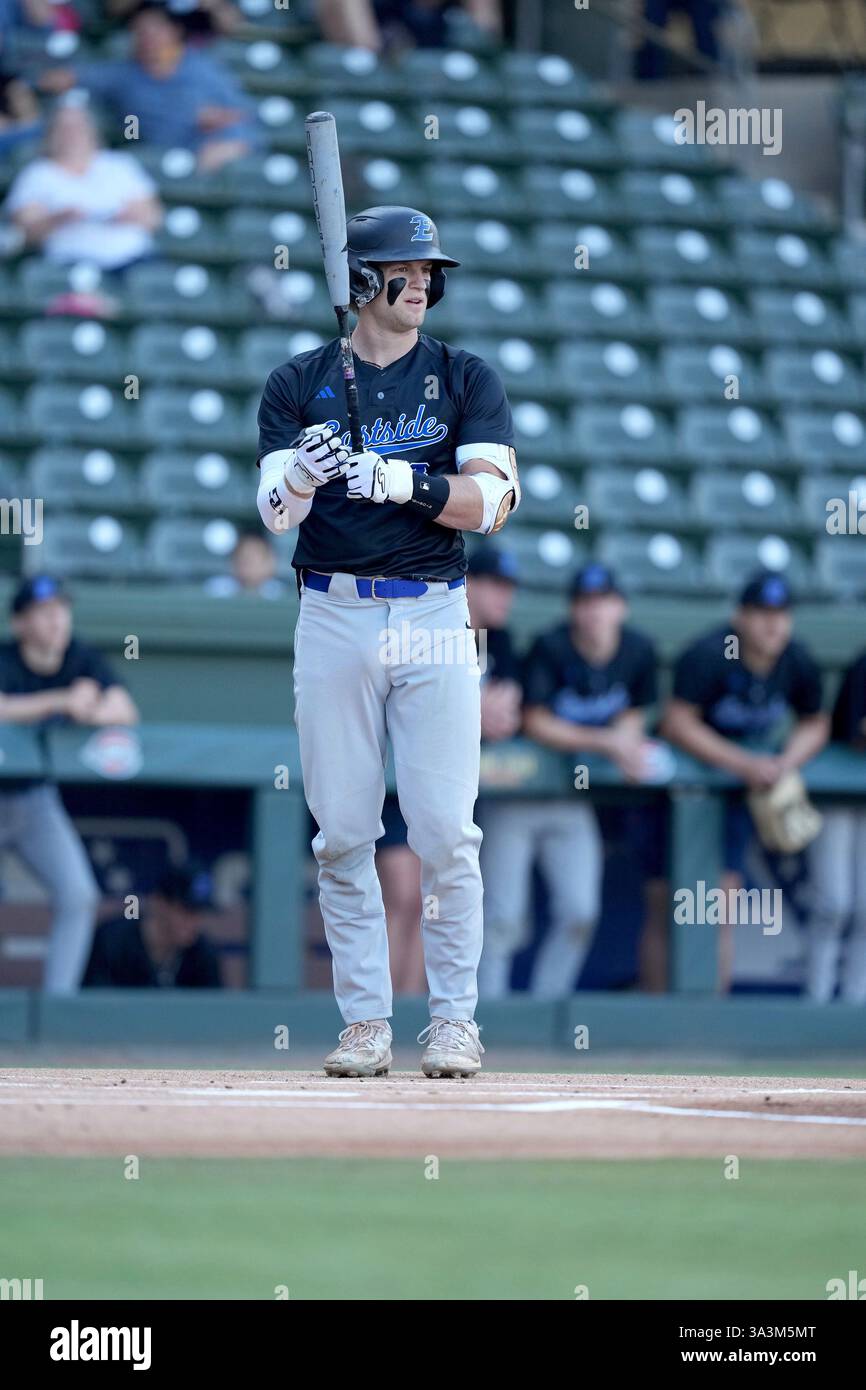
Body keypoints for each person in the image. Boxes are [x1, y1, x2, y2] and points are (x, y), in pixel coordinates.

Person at [256, 205, 520, 1077]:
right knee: (342, 832)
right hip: (331, 610)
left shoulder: (464, 376)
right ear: (360, 281)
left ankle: (454, 1021)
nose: (423, 285)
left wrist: (400, 480)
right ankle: (366, 1022)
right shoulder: (297, 384)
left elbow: (491, 502)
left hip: (436, 613)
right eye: (405, 271)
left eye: (429, 272)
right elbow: (272, 513)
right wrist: (304, 470)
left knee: (446, 831)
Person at [660, 571, 829, 992]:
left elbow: (816, 722)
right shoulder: (711, 653)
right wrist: (747, 764)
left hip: (737, 796)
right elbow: (676, 724)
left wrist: (783, 763)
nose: (773, 624)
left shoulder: (797, 658)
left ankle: (707, 1026)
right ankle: (655, 1027)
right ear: (741, 616)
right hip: (680, 795)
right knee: (666, 903)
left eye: (782, 613)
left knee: (721, 906)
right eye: (762, 613)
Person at [520, 564, 660, 999]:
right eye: (585, 603)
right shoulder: (551, 646)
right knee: (502, 916)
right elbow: (536, 721)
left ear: (621, 607)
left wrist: (627, 740)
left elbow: (637, 714)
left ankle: (547, 1008)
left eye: (603, 603)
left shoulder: (638, 650)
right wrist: (608, 743)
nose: (594, 613)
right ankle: (487, 1019)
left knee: (580, 910)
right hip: (521, 792)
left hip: (575, 798)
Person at [0, 575, 139, 994]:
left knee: (78, 896)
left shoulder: (80, 656)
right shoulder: (6, 657)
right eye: (43, 613)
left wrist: (91, 707)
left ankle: (57, 1007)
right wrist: (61, 701)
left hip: (34, 801)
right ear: (20, 623)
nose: (56, 621)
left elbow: (125, 711)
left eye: (61, 610)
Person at [39, 1, 260, 172]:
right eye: (141, 31)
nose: (149, 38)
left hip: (204, 151)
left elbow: (243, 114)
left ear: (174, 32)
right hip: (151, 157)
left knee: (235, 145)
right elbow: (66, 77)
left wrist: (222, 127)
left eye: (156, 30)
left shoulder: (203, 69)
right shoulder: (121, 74)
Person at [466, 546, 527, 996]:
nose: (505, 597)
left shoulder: (501, 639)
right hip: (402, 780)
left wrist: (488, 716)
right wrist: (472, 711)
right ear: (467, 582)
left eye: (509, 587)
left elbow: (508, 715)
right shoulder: (438, 623)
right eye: (495, 584)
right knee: (407, 901)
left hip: (472, 786)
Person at [4, 101, 162, 270]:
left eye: (78, 127)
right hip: (68, 265)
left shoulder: (121, 165)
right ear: (50, 133)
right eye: (63, 129)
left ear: (92, 130)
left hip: (132, 260)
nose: (71, 135)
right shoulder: (36, 174)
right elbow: (25, 233)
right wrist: (58, 219)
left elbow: (154, 217)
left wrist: (129, 215)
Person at [804, 649, 866, 1003]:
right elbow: (858, 730)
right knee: (834, 903)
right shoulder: (863, 662)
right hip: (841, 793)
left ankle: (857, 1002)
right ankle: (817, 1000)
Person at [83, 863, 222, 987]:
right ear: (159, 903)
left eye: (200, 913)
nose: (195, 922)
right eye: (186, 911)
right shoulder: (112, 943)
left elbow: (214, 1012)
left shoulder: (203, 954)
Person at [204, 529, 288, 600]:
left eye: (255, 558)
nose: (248, 563)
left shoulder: (283, 594)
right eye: (243, 557)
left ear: (271, 561)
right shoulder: (217, 591)